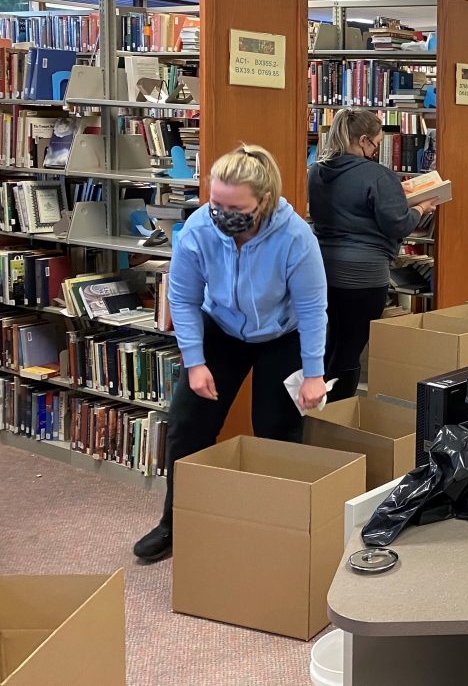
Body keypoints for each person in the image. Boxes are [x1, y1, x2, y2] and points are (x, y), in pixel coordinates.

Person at [133, 145, 329, 563]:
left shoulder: (296, 237)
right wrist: (195, 361)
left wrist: (314, 372)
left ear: (264, 201)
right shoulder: (200, 229)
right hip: (220, 330)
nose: (222, 214)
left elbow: (313, 309)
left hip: (281, 335)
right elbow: (183, 298)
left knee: (275, 432)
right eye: (215, 202)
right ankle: (174, 522)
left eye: (235, 206)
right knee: (187, 426)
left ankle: (279, 525)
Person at [308, 109, 438, 404]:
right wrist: (420, 209)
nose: (377, 150)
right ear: (363, 140)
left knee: (331, 341)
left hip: (322, 270)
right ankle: (338, 411)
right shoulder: (377, 175)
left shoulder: (317, 170)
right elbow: (397, 223)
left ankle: (318, 408)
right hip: (364, 274)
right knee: (351, 347)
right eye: (376, 144)